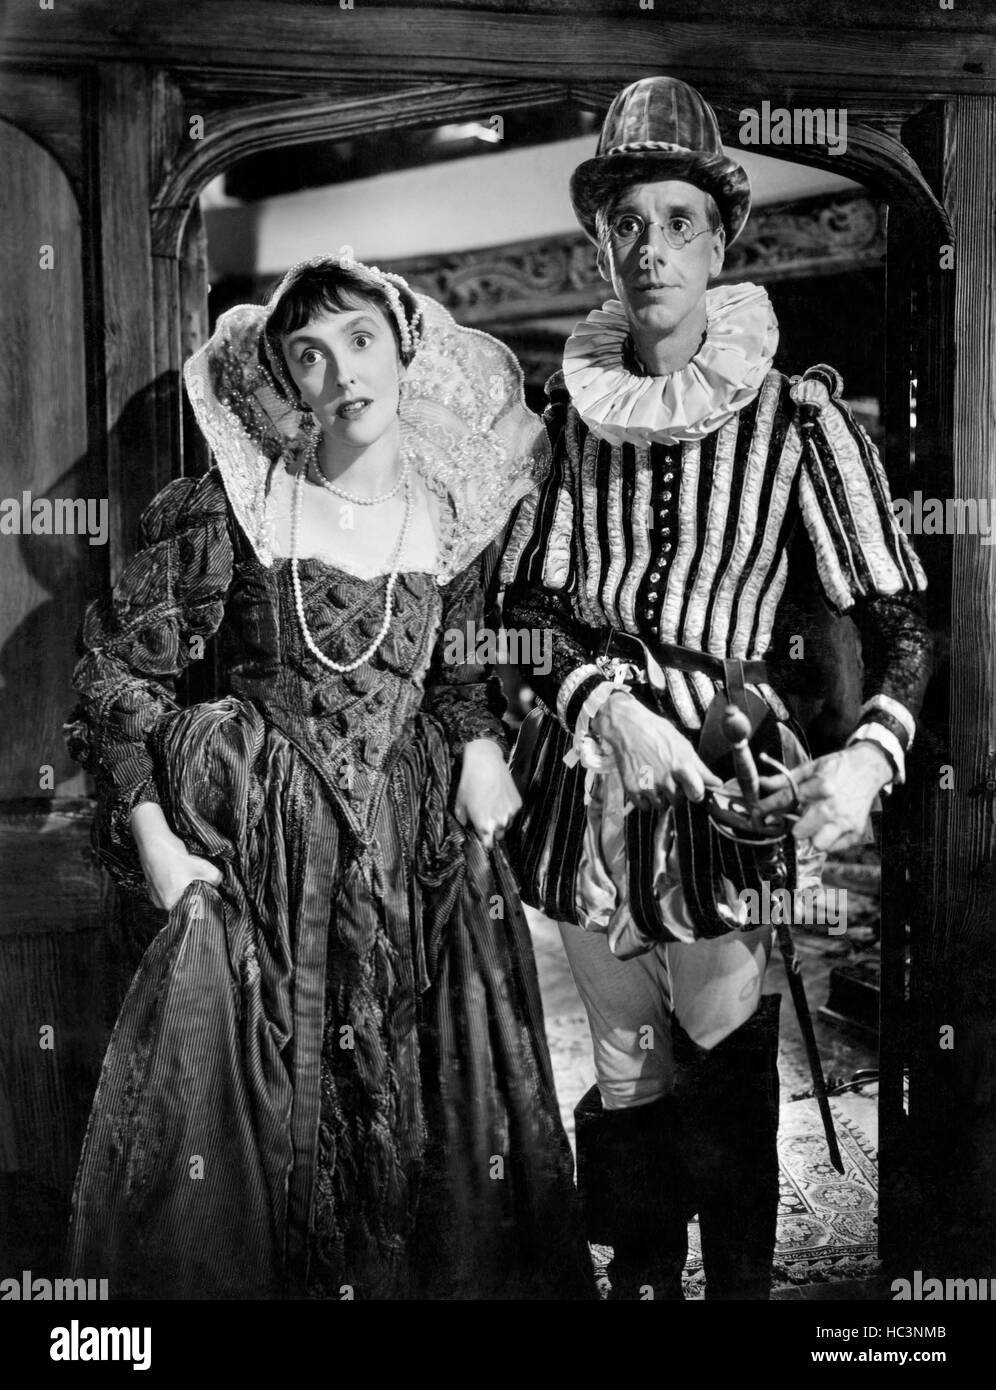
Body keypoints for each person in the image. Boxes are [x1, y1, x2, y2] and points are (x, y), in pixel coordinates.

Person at [64, 254, 594, 1301]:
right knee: (257, 1140)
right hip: (264, 869)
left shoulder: (449, 524)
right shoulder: (239, 513)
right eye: (307, 353)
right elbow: (119, 673)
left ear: (404, 348)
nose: (339, 370)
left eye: (356, 339)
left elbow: (457, 681)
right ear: (287, 381)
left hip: (410, 868)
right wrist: (159, 844)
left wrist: (479, 740)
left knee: (436, 1131)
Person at [500, 77, 932, 1300]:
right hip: (589, 774)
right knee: (626, 1061)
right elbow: (527, 612)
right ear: (601, 241)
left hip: (730, 779)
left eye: (677, 220)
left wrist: (868, 755)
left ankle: (742, 1286)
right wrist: (608, 707)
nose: (650, 249)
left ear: (721, 239)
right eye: (627, 222)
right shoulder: (567, 417)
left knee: (727, 1051)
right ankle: (639, 1280)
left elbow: (902, 626)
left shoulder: (799, 420)